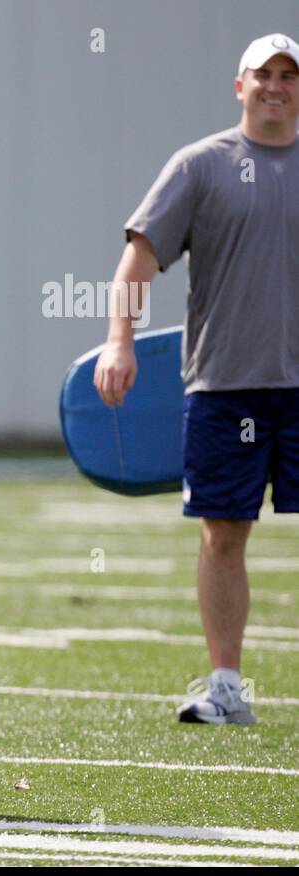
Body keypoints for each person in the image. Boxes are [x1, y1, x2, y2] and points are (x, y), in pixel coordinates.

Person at [93, 33, 299, 726]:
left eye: (288, 75)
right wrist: (119, 342)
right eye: (262, 74)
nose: (276, 85)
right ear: (239, 86)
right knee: (222, 534)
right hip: (223, 385)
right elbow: (137, 263)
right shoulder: (202, 166)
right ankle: (226, 687)